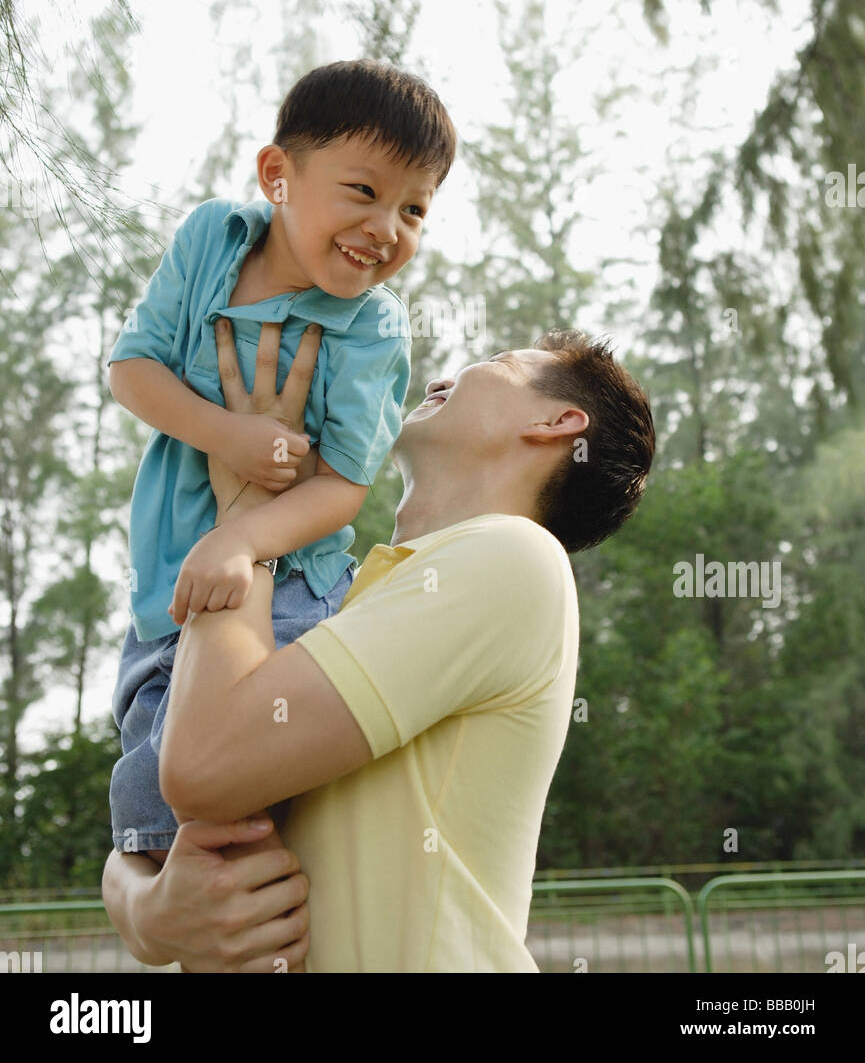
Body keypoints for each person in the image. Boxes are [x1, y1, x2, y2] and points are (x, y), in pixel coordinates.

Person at [103, 315, 655, 972]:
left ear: (558, 423)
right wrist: (145, 910)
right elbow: (169, 783)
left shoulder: (514, 555)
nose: (440, 377)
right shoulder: (353, 600)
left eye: (499, 363)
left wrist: (248, 509)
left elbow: (205, 767)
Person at [105, 59, 457, 862]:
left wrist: (242, 538)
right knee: (147, 800)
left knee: (245, 791)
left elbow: (342, 487)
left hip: (289, 586)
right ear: (279, 175)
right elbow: (132, 369)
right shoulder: (211, 241)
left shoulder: (371, 328)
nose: (387, 228)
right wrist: (228, 436)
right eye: (364, 191)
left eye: (414, 209)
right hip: (165, 590)